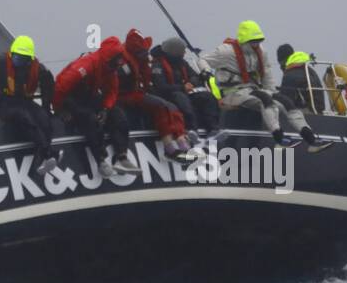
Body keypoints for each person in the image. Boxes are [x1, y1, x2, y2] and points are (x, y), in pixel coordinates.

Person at [200, 20, 320, 146]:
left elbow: (267, 74)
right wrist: (206, 72)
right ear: (244, 40)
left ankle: (309, 136)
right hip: (232, 93)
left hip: (252, 90)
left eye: (258, 40)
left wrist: (273, 92)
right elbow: (203, 60)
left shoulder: (260, 52)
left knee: (286, 101)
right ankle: (278, 137)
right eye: (253, 41)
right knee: (265, 99)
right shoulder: (225, 52)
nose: (256, 44)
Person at [0, 35, 60, 175]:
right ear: (11, 53)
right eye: (16, 57)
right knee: (24, 117)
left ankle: (41, 158)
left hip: (24, 102)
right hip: (2, 104)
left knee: (44, 119)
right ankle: (49, 153)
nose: (18, 61)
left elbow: (48, 85)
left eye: (23, 59)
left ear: (30, 59)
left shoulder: (38, 69)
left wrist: (46, 106)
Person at [53, 36, 141, 177]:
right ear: (110, 58)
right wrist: (59, 109)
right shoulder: (87, 64)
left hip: (89, 96)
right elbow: (61, 87)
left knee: (118, 116)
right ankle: (100, 160)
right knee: (90, 119)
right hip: (71, 98)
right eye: (117, 60)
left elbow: (112, 91)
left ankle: (122, 157)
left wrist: (106, 109)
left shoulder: (110, 69)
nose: (119, 64)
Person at [119, 29, 191, 158]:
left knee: (171, 107)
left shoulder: (143, 60)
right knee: (161, 106)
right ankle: (169, 146)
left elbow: (146, 81)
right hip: (126, 95)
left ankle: (181, 140)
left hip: (140, 93)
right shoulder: (122, 61)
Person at [151, 37, 221, 133]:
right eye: (183, 51)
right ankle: (192, 130)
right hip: (169, 94)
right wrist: (182, 87)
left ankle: (213, 128)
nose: (184, 53)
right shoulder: (157, 65)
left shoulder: (182, 63)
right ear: (175, 51)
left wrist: (191, 82)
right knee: (182, 99)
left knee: (207, 97)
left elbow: (194, 76)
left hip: (184, 91)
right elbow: (161, 86)